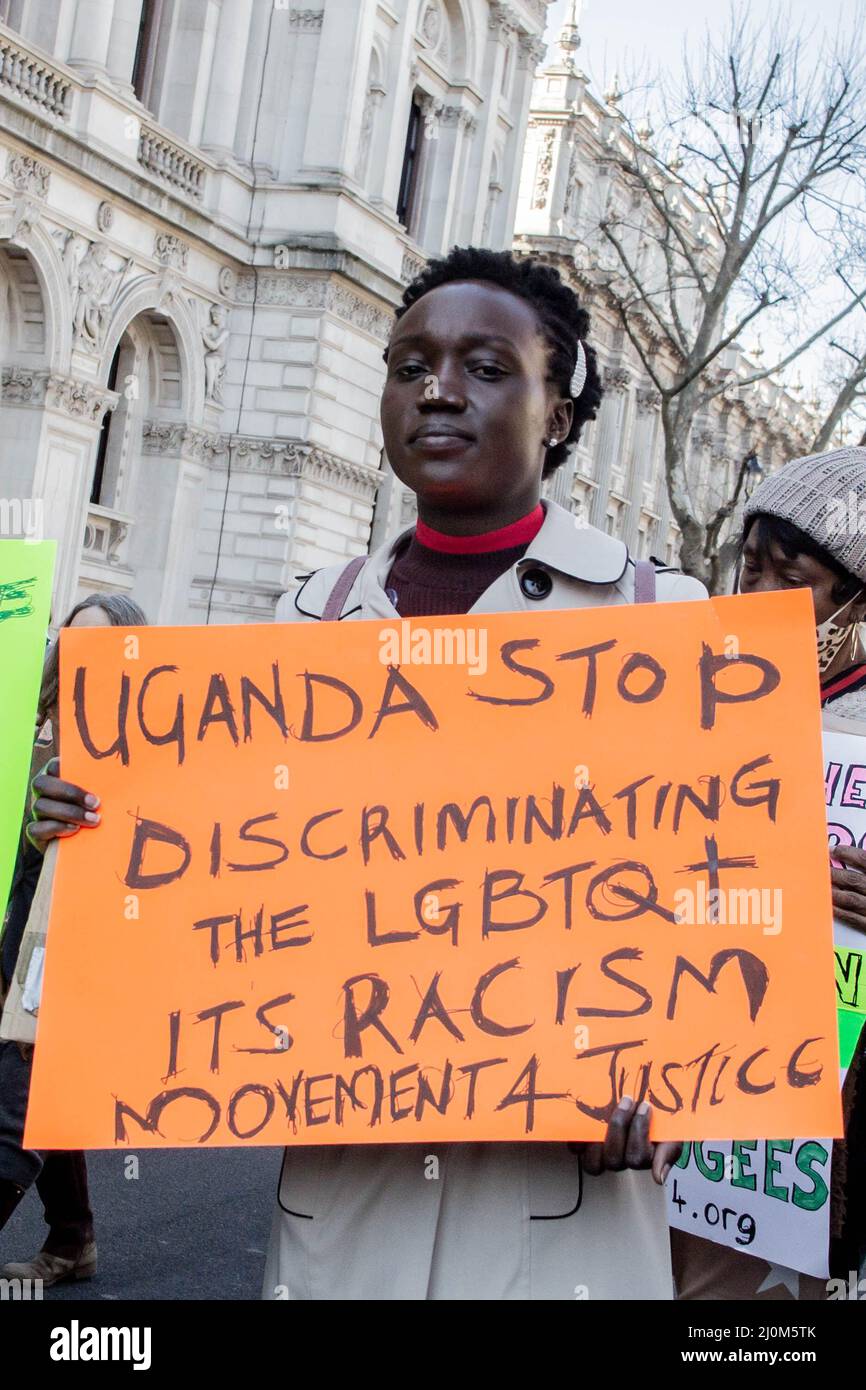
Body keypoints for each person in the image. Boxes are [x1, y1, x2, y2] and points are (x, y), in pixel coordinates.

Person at [26, 247, 707, 1300]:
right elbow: (228, 879)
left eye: (485, 367)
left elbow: (720, 900)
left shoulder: (664, 622)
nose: (437, 390)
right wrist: (92, 822)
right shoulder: (303, 622)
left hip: (565, 1215)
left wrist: (681, 1084)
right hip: (348, 1209)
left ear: (560, 414)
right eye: (408, 365)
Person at [671, 445, 866, 1299]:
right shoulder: (691, 697)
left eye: (788, 577)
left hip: (814, 1152)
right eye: (747, 567)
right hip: (681, 1100)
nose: (753, 597)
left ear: (856, 602)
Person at [0, 593, 147, 1288]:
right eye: (73, 642)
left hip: (86, 948)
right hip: (26, 939)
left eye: (104, 645)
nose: (83, 656)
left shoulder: (155, 747)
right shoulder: (39, 735)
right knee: (37, 1090)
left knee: (15, 1101)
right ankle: (72, 1238)